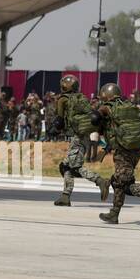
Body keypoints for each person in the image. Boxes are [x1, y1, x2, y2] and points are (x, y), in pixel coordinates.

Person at [96, 83, 140, 223]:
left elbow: (94, 118)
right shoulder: (128, 107)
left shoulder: (108, 108)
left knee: (123, 183)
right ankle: (114, 213)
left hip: (123, 151)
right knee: (120, 182)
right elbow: (119, 130)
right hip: (135, 149)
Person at [52, 74, 110, 207]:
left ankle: (100, 181)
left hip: (76, 136)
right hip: (85, 135)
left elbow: (59, 120)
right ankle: (65, 196)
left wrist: (54, 129)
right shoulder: (82, 97)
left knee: (75, 167)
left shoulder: (63, 99)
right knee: (66, 166)